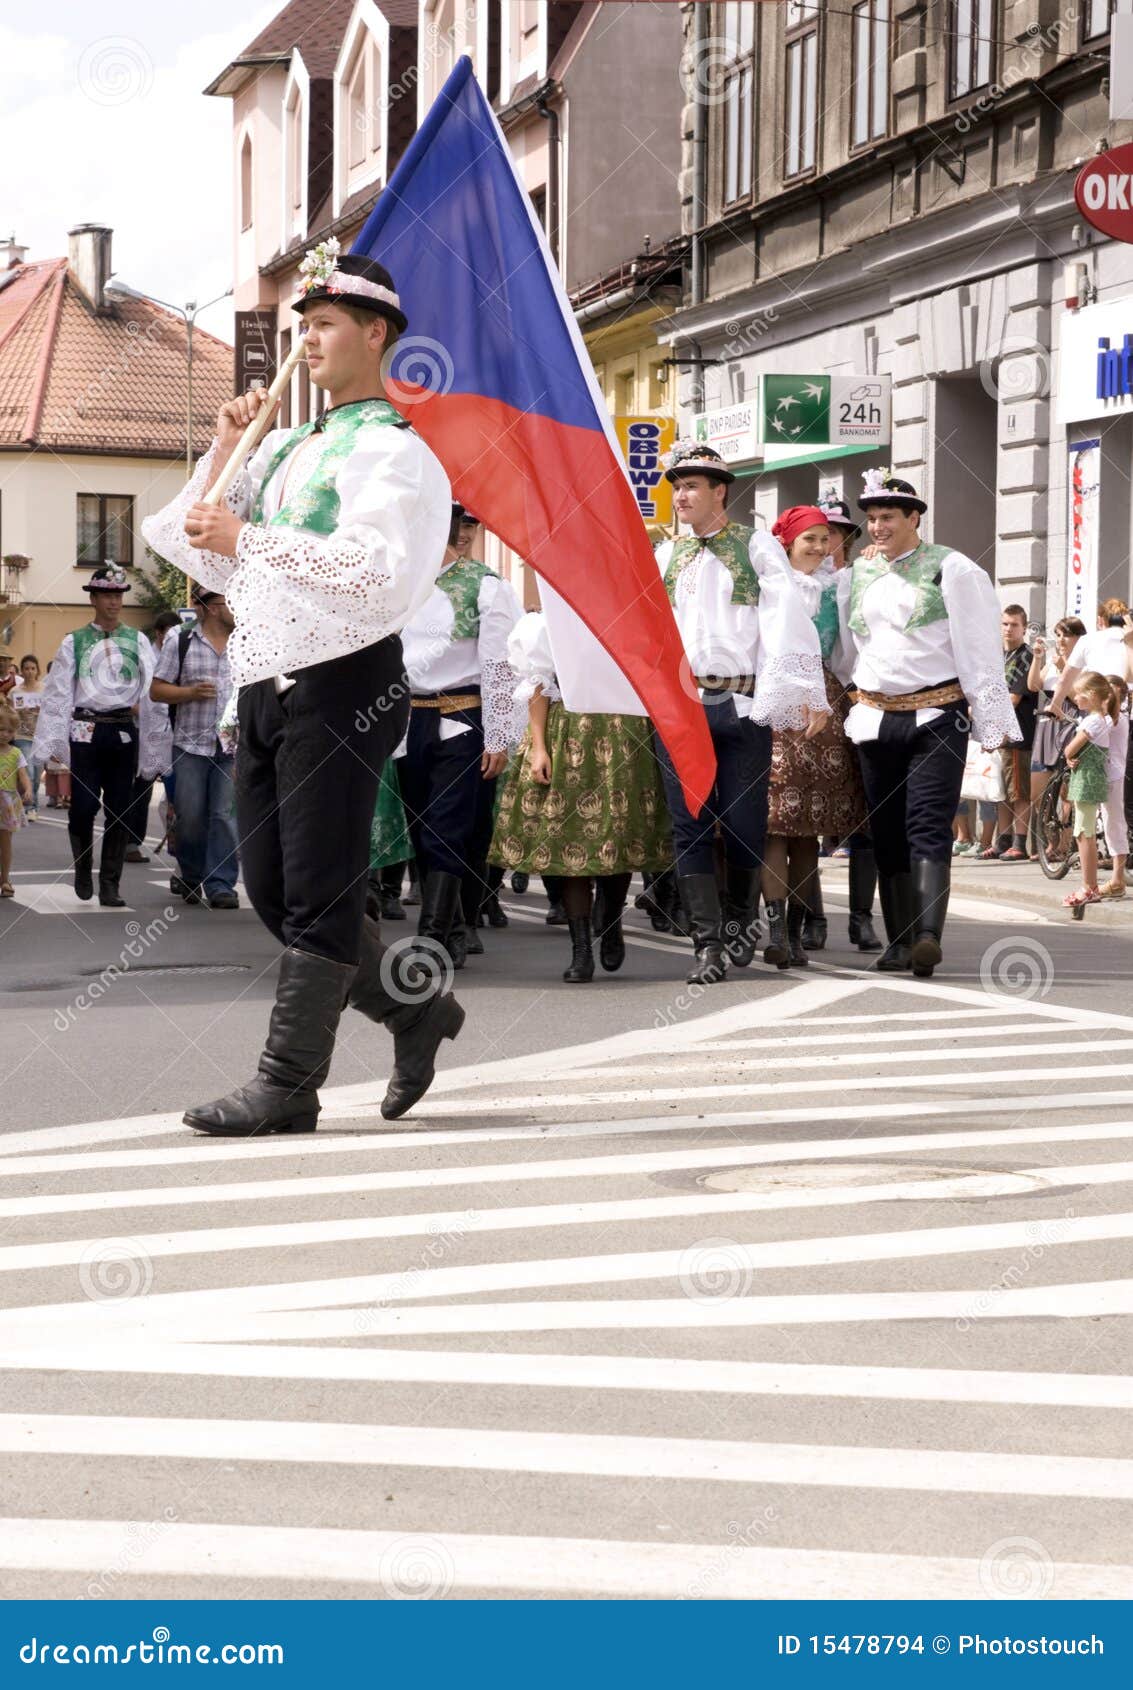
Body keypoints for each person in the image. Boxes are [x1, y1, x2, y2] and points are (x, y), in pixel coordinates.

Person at [141, 243, 458, 1134]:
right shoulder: (286, 446)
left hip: (345, 680)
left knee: (319, 892)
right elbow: (198, 546)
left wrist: (246, 537)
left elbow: (374, 572)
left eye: (324, 324)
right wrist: (224, 446)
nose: (307, 341)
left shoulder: (396, 452)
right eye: (302, 327)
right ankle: (416, 1009)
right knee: (275, 890)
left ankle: (288, 1084)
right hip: (266, 680)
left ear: (375, 333)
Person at [653, 442, 829, 984]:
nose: (681, 496)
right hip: (681, 705)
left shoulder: (754, 546)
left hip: (743, 702)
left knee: (745, 823)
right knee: (689, 824)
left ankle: (737, 918)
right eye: (677, 487)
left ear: (719, 491)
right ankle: (707, 945)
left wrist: (804, 688)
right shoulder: (666, 555)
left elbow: (784, 617)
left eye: (692, 486)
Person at [839, 468, 1019, 977]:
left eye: (888, 517)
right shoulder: (857, 575)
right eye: (873, 518)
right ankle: (899, 942)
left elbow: (979, 646)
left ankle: (926, 937)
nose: (878, 527)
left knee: (927, 824)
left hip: (937, 716)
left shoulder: (953, 569)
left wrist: (989, 717)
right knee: (886, 831)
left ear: (914, 518)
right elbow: (849, 647)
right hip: (875, 718)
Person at [489, 612, 672, 981]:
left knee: (619, 838)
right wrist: (539, 747)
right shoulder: (550, 621)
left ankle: (611, 918)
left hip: (624, 734)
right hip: (567, 736)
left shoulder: (628, 614)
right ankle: (581, 949)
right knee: (569, 844)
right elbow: (539, 686)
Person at [397, 504, 521, 968]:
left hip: (462, 716)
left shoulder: (486, 585)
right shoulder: (405, 581)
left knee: (447, 826)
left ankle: (431, 935)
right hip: (410, 717)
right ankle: (451, 927)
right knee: (419, 825)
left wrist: (498, 736)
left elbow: (499, 665)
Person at [758, 507, 867, 968]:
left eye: (825, 540)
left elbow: (844, 653)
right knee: (773, 824)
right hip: (773, 700)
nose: (821, 548)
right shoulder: (768, 585)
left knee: (806, 830)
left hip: (821, 705)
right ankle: (776, 930)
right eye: (811, 539)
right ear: (787, 543)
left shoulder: (836, 589)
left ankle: (797, 933)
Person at [31, 564, 156, 907]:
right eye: (106, 595)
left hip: (123, 730)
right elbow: (58, 694)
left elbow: (151, 689)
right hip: (84, 730)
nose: (113, 602)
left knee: (120, 808)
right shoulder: (74, 641)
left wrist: (150, 727)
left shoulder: (138, 640)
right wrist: (54, 739)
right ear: (93, 599)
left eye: (118, 596)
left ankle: (111, 884)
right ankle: (83, 868)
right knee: (83, 808)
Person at [150, 586, 239, 909]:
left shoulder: (245, 642)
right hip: (190, 745)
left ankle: (221, 884)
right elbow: (157, 690)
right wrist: (189, 693)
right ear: (212, 608)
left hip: (231, 747)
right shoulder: (181, 640)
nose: (237, 607)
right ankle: (191, 873)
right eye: (230, 602)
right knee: (190, 818)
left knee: (224, 817)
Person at [124, 610, 181, 863]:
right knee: (141, 789)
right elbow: (127, 695)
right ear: (158, 633)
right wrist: (140, 710)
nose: (172, 639)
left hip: (174, 731)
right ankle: (131, 842)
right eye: (168, 634)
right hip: (144, 731)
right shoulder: (144, 658)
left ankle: (180, 846)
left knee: (177, 791)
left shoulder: (180, 654)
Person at [1061, 671, 1116, 911]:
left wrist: (1068, 755)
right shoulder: (1101, 719)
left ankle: (1089, 887)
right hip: (1088, 777)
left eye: (1078, 694)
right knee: (1085, 832)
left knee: (1084, 833)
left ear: (1092, 695)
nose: (1075, 698)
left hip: (1087, 780)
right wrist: (1072, 757)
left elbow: (1070, 749)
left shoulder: (1092, 721)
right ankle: (1089, 885)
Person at [988, 604, 1035, 860]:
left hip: (1018, 734)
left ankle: (1019, 843)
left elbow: (1013, 699)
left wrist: (983, 713)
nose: (1009, 629)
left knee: (1019, 792)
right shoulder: (998, 655)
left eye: (1015, 624)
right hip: (998, 734)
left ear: (1024, 628)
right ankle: (1002, 841)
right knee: (1001, 792)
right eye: (1005, 623)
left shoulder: (1026, 656)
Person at [1101, 674, 1129, 899]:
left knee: (1114, 824)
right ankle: (1116, 877)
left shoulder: (1114, 719)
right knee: (1111, 823)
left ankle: (1118, 879)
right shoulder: (1109, 719)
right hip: (1108, 775)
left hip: (1112, 776)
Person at [0, 702, 32, 896]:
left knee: (5, 843)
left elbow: (23, 774)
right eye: (1, 729)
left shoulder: (16, 753)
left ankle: (5, 879)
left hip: (7, 803)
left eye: (10, 731)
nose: (5, 734)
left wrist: (28, 788)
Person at [10, 655, 44, 819]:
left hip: (41, 737)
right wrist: (18, 712)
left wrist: (41, 711)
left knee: (37, 775)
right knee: (28, 771)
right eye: (26, 668)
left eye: (33, 668)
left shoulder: (44, 689)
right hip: (22, 736)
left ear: (37, 670)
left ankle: (32, 802)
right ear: (21, 671)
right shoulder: (15, 691)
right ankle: (30, 807)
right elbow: (10, 714)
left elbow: (53, 711)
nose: (30, 671)